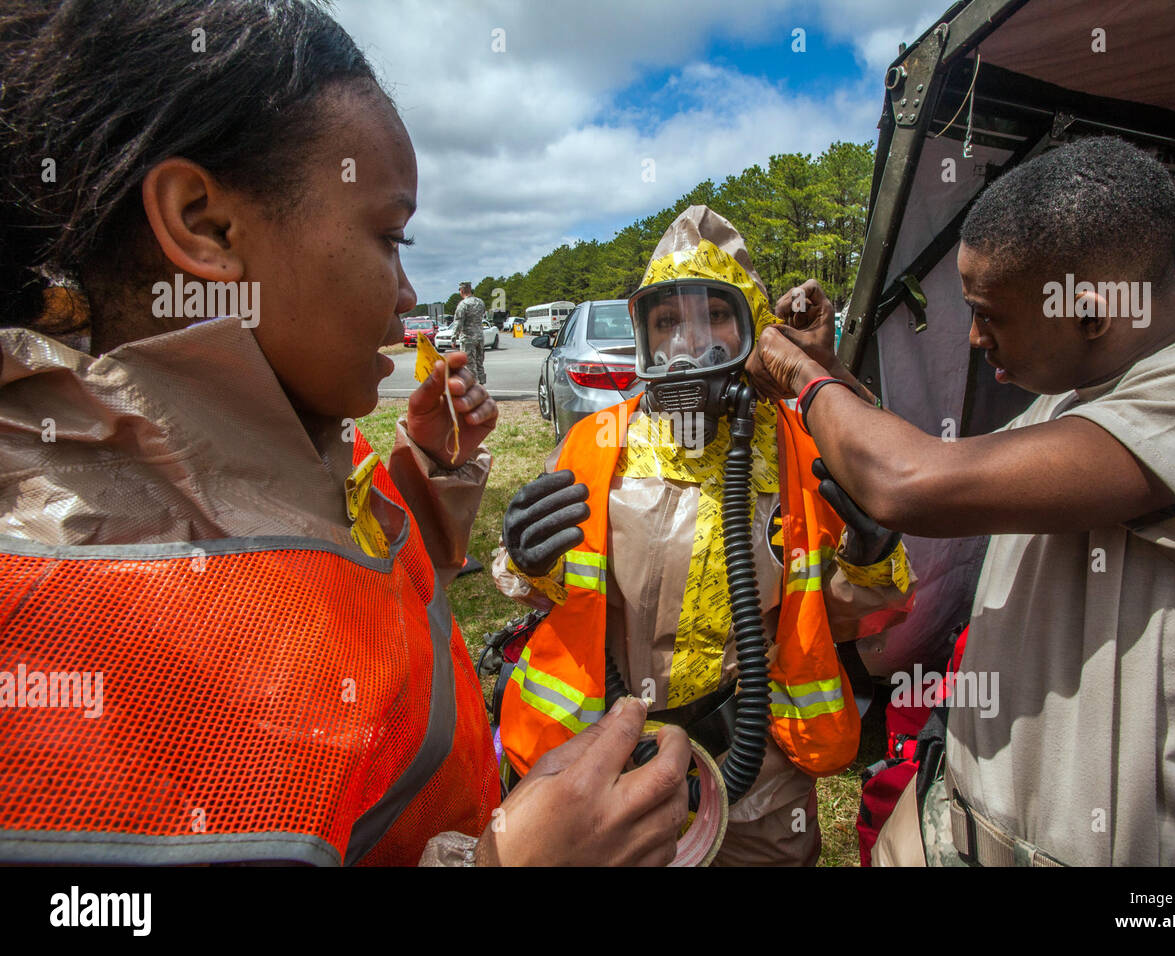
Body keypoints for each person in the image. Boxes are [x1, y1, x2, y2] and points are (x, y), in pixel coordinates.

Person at [0, 0, 689, 867]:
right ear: (207, 228)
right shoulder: (62, 604)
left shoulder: (291, 435)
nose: (408, 295)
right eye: (390, 237)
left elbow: (351, 597)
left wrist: (430, 474)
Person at [753, 137, 1175, 866]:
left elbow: (913, 482)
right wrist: (827, 370)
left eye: (989, 314)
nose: (975, 336)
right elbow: (933, 461)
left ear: (1092, 312)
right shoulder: (1069, 406)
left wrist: (794, 371)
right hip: (962, 824)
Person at [492, 206, 915, 866]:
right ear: (645, 335)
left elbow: (840, 619)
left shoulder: (799, 446)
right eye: (668, 321)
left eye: (715, 316)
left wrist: (868, 558)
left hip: (762, 774)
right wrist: (527, 562)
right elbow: (562, 596)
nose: (690, 341)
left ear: (749, 324)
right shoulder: (595, 445)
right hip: (619, 758)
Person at [451, 281, 487, 385]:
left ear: (462, 291)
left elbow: (458, 322)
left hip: (468, 338)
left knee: (469, 364)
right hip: (480, 337)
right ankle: (482, 385)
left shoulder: (463, 304)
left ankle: (473, 387)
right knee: (479, 363)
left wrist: (454, 337)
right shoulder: (480, 302)